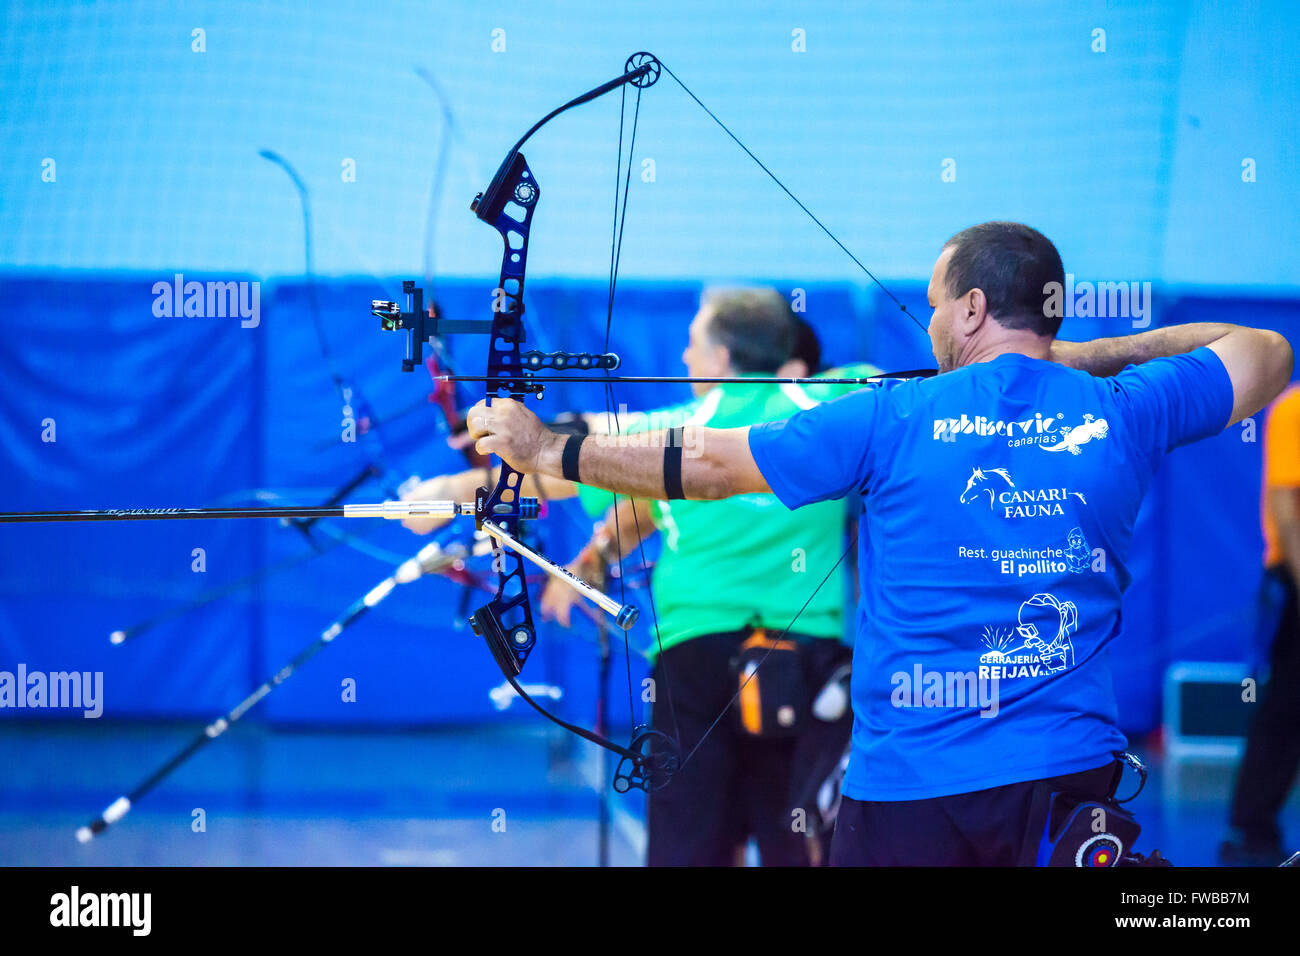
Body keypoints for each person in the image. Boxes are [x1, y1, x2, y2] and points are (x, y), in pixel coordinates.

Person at [463, 221, 1293, 866]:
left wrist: (549, 452)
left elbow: (710, 466)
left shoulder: (894, 417)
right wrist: (1079, 359)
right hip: (1062, 778)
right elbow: (1265, 351)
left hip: (910, 792)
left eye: (936, 301)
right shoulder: (1125, 411)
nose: (930, 319)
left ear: (971, 309)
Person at [405, 289, 875, 865]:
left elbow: (561, 464)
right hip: (805, 670)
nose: (683, 357)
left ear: (723, 359)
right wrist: (595, 554)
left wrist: (445, 495)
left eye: (694, 344)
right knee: (798, 844)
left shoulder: (673, 429)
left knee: (688, 846)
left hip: (696, 666)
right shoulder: (839, 405)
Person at [1220, 385, 1300, 864]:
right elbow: (1286, 506)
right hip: (1293, 576)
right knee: (1287, 703)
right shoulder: (1294, 410)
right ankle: (1252, 832)